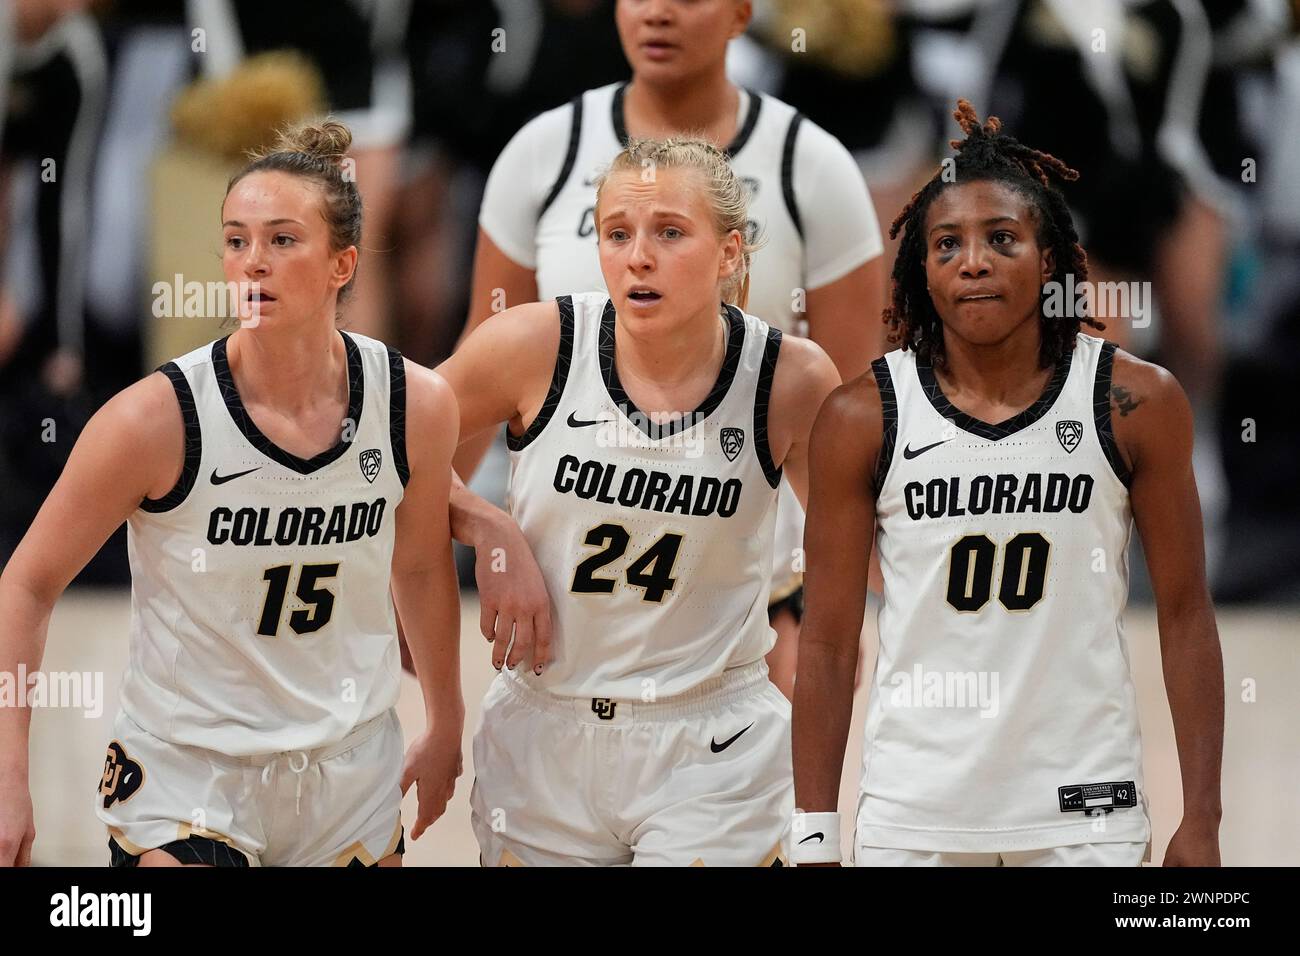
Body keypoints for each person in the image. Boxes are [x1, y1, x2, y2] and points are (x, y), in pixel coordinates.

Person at [0, 120, 464, 867]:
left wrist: (445, 722)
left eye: (283, 240)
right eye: (236, 240)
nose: (254, 263)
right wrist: (7, 782)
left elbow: (417, 568)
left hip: (347, 776)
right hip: (191, 775)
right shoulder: (152, 421)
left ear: (343, 264)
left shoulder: (416, 404)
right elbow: (25, 584)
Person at [791, 102, 1224, 867]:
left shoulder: (1138, 403)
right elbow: (825, 645)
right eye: (947, 243)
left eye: (1002, 239)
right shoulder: (862, 415)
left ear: (1051, 257)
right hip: (914, 811)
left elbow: (1186, 615)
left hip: (1085, 809)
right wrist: (816, 834)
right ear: (919, 268)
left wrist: (1204, 817)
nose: (974, 262)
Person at [454, 0, 886, 696]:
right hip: (561, 602)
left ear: (743, 13)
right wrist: (443, 534)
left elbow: (853, 411)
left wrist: (821, 598)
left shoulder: (811, 165)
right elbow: (469, 378)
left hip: (744, 599)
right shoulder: (545, 149)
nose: (658, 12)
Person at [436, 137, 840, 865]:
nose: (638, 257)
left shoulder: (790, 379)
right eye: (617, 233)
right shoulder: (536, 343)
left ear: (730, 252)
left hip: (713, 745)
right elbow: (377, 446)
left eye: (669, 233)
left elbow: (861, 562)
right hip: (543, 733)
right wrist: (487, 524)